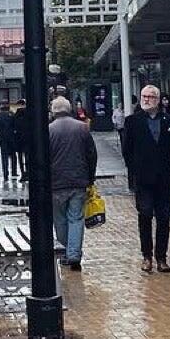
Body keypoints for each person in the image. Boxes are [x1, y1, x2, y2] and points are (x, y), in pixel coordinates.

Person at [119, 83, 170, 273]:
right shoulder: (133, 121)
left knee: (163, 218)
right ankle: (146, 256)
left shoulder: (169, 121)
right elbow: (127, 150)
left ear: (158, 99)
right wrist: (134, 171)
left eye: (150, 97)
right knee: (145, 215)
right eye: (144, 96)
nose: (146, 100)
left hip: (164, 178)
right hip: (143, 178)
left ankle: (161, 257)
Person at [44, 95, 98, 271]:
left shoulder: (48, 130)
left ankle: (66, 250)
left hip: (56, 183)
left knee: (59, 219)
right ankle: (74, 254)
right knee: (76, 218)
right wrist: (90, 177)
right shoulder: (82, 128)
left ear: (53, 111)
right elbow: (91, 155)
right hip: (78, 181)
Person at [0, 101, 22, 184]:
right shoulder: (12, 115)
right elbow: (15, 126)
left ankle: (5, 174)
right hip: (11, 137)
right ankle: (14, 171)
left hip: (2, 138)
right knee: (13, 156)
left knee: (4, 156)